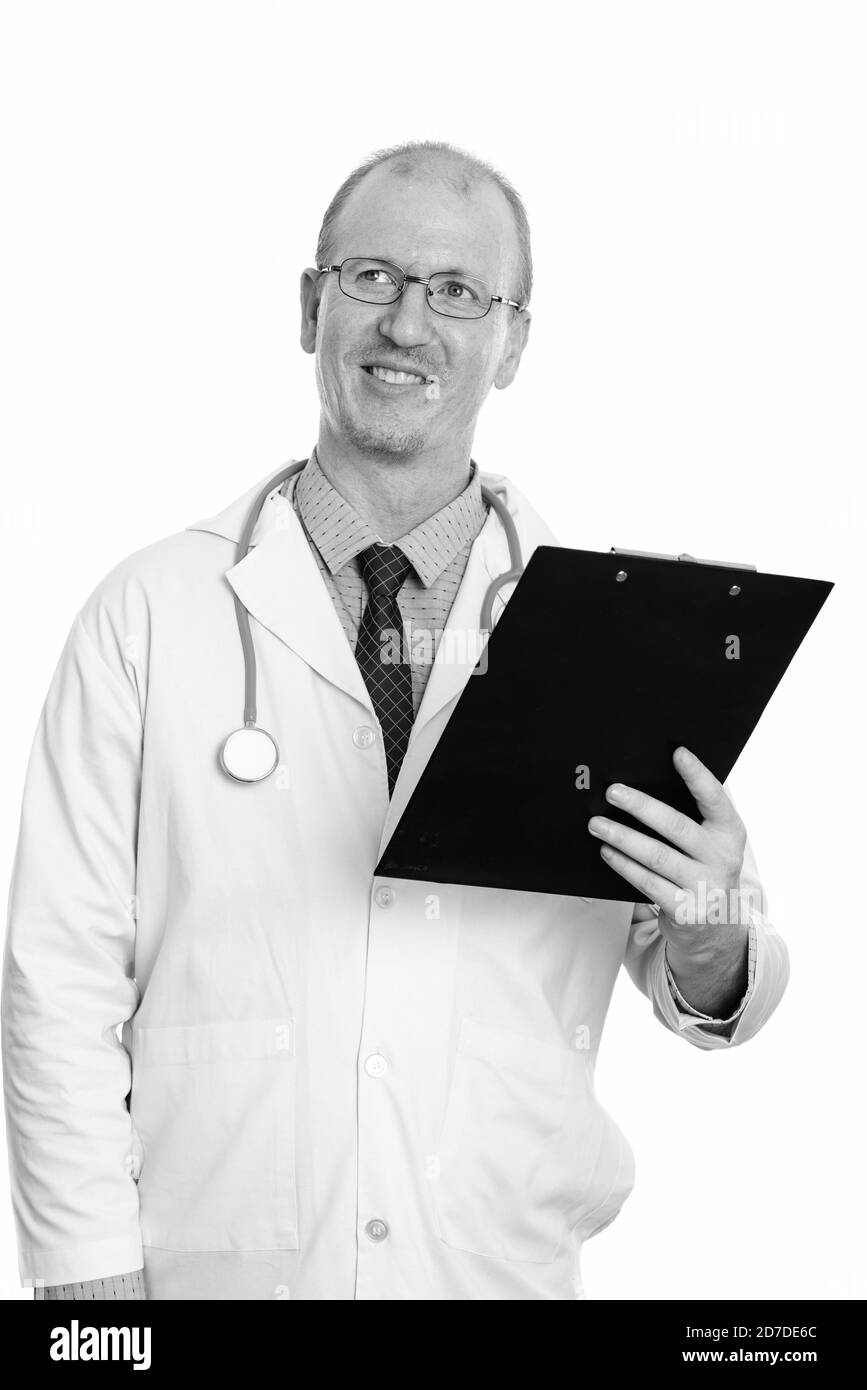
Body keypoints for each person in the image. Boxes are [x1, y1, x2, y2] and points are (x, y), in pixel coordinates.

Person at [1, 140, 788, 1302]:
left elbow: (717, 976)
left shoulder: (617, 634)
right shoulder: (152, 611)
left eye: (459, 291)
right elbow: (57, 977)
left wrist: (712, 926)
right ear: (309, 307)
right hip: (207, 1280)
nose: (408, 324)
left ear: (512, 344)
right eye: (373, 277)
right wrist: (87, 1284)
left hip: (493, 1274)